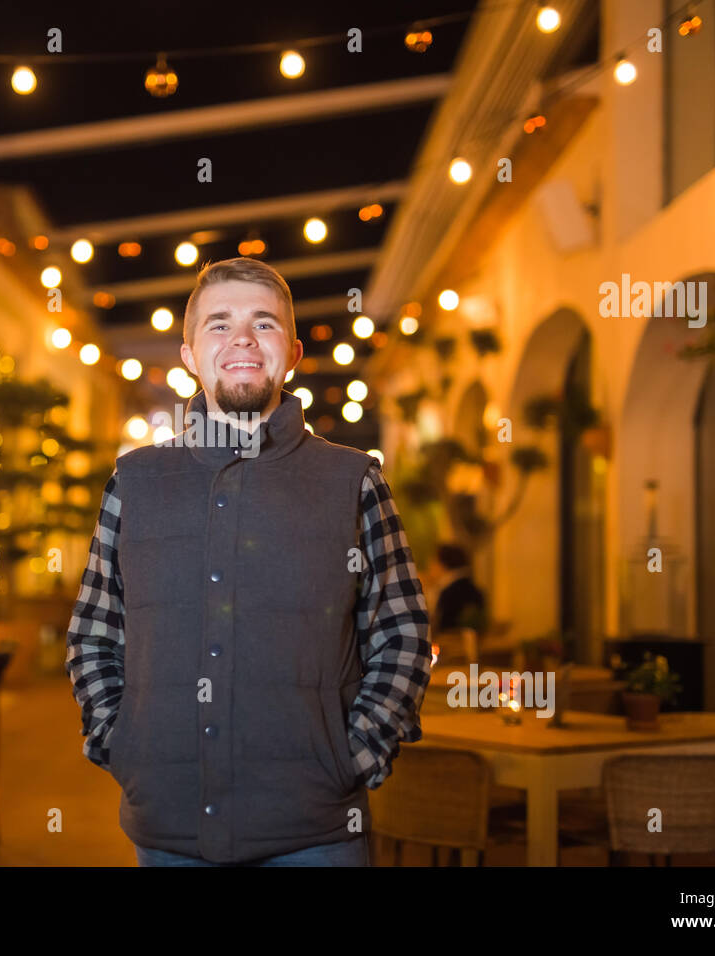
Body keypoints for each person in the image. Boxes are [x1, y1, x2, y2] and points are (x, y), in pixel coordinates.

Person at [65, 257, 431, 867]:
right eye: (219, 324)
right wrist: (121, 743)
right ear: (188, 356)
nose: (241, 339)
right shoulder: (135, 482)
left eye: (262, 324)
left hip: (317, 835)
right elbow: (94, 632)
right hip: (167, 832)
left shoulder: (354, 481)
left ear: (290, 352)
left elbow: (402, 634)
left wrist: (354, 756)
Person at [427, 542, 487, 634]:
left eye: (434, 562)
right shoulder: (473, 588)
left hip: (450, 645)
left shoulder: (447, 592)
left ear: (444, 564)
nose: (430, 567)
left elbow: (439, 627)